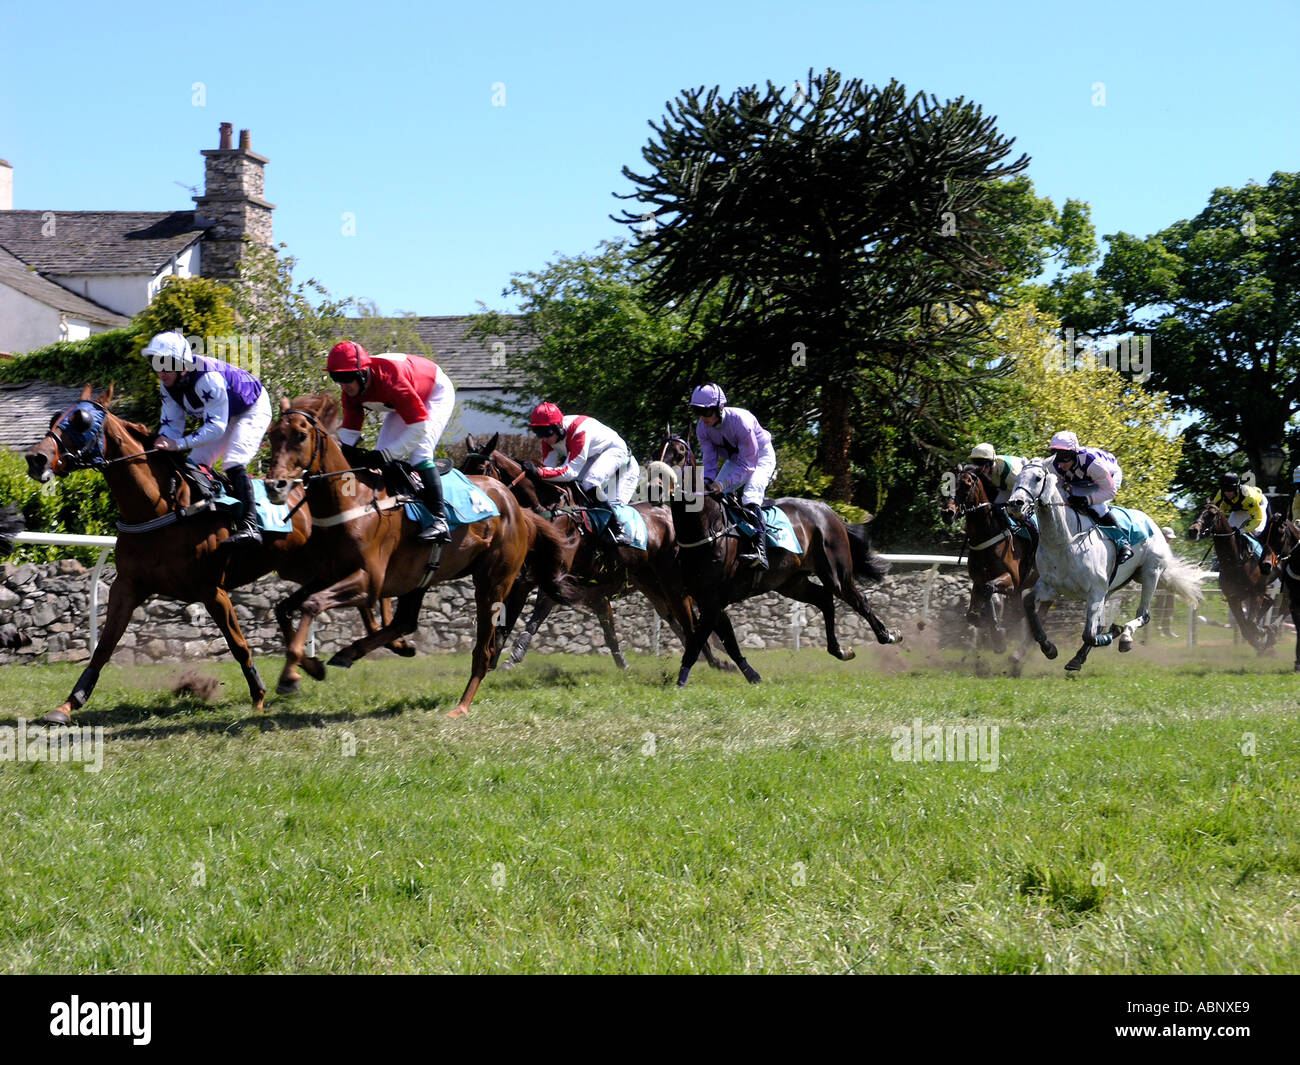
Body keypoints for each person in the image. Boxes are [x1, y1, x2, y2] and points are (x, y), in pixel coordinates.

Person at [144, 330, 272, 547]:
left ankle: (250, 526)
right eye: (156, 364)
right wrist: (163, 445)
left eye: (165, 364)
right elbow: (172, 427)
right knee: (193, 464)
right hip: (226, 414)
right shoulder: (167, 386)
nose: (161, 372)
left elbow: (216, 427)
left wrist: (179, 444)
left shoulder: (206, 377)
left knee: (234, 460)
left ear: (181, 364)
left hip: (252, 407)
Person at [326, 341, 453, 543]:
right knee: (382, 454)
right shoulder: (350, 391)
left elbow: (419, 428)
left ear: (362, 373)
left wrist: (384, 455)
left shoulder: (390, 378)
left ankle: (440, 520)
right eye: (337, 379)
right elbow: (349, 433)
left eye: (346, 378)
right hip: (402, 402)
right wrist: (342, 454)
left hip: (434, 392)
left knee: (419, 452)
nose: (343, 385)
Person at [690, 383, 777, 569]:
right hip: (737, 460)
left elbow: (748, 465)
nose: (702, 418)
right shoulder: (702, 429)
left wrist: (722, 483)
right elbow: (710, 461)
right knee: (713, 495)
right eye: (698, 411)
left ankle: (760, 550)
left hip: (760, 457)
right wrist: (707, 483)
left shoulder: (741, 421)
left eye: (706, 412)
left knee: (750, 495)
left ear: (719, 408)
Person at [524, 402, 639, 543]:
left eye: (545, 433)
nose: (543, 438)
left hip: (615, 452)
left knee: (590, 482)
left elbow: (569, 471)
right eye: (538, 433)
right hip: (592, 455)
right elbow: (549, 469)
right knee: (576, 484)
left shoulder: (579, 431)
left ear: (559, 427)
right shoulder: (548, 438)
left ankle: (617, 529)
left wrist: (538, 472)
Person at [1048, 430, 1132, 566]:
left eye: (1065, 456)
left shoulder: (1092, 463)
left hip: (1108, 477)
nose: (1061, 463)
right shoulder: (1055, 465)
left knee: (1097, 506)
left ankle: (1123, 544)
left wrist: (1087, 500)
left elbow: (1110, 491)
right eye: (1056, 455)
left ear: (1074, 453)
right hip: (1082, 480)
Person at [1212, 471, 1270, 572]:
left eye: (1230, 490)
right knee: (1227, 534)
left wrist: (1244, 530)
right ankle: (1219, 560)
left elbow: (1257, 519)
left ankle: (1262, 560)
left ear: (1237, 488)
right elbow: (1216, 512)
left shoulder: (1249, 498)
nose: (1227, 493)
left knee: (1253, 533)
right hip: (1239, 509)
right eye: (1225, 490)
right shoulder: (1220, 495)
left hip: (1258, 507)